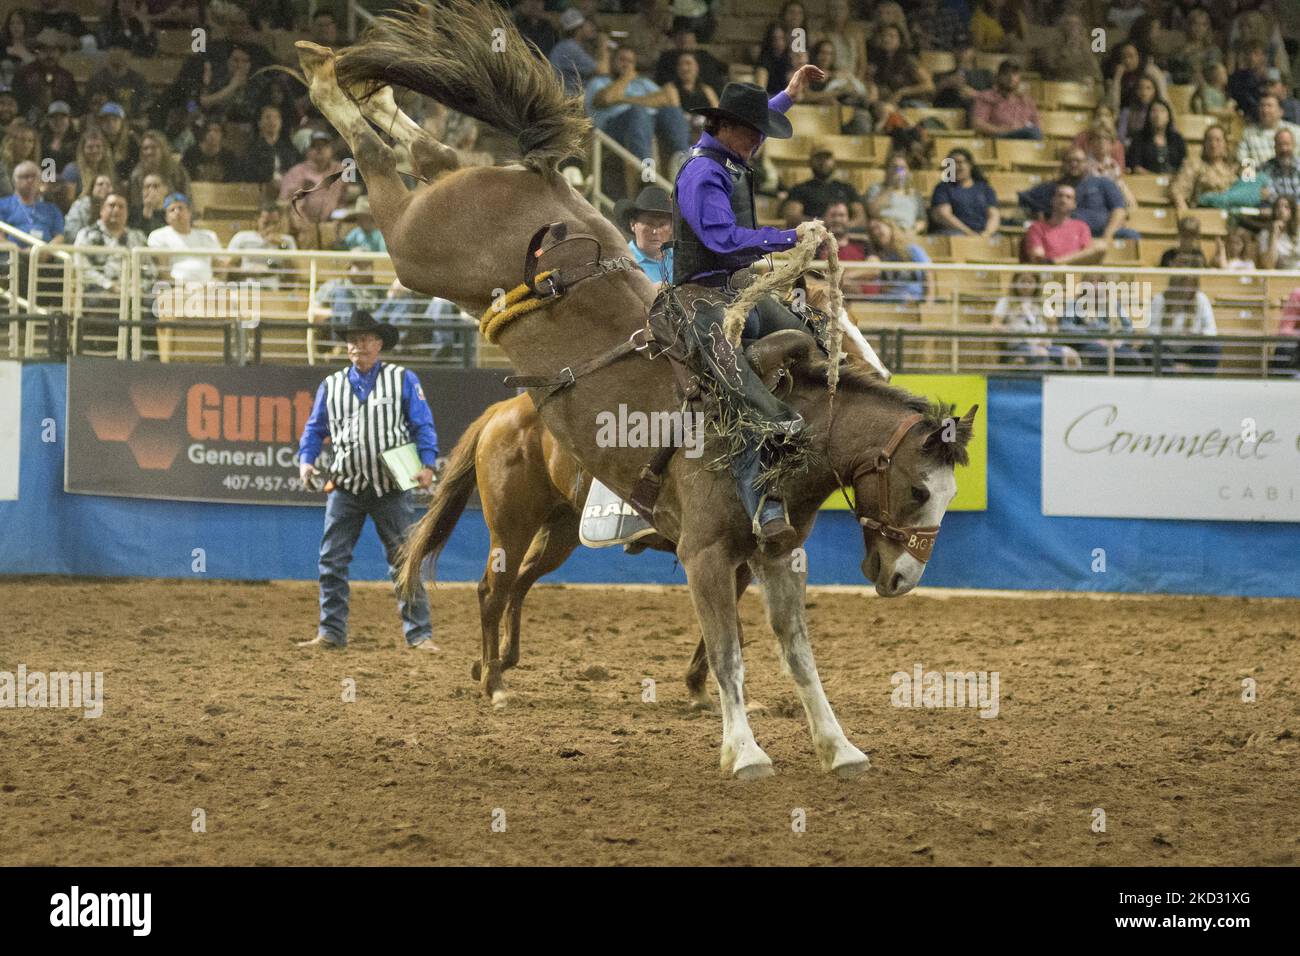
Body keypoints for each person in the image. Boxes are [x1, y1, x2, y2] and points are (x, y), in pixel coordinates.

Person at [659, 71, 827, 553]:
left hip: (734, 289)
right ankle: (764, 500)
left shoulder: (722, 154)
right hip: (698, 296)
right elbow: (720, 238)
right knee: (739, 385)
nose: (759, 141)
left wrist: (788, 97)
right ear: (727, 128)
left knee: (804, 337)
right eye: (754, 131)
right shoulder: (703, 173)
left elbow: (756, 118)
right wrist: (787, 236)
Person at [296, 311, 439, 653]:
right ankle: (331, 632)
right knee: (332, 559)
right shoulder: (330, 385)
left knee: (405, 559)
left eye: (365, 339)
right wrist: (306, 462)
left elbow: (422, 425)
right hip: (345, 485)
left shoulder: (403, 379)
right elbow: (315, 429)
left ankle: (419, 634)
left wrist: (428, 463)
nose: (358, 345)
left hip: (392, 486)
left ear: (378, 344)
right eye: (353, 340)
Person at [585, 44, 691, 176]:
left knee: (671, 111)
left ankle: (683, 159)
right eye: (622, 60)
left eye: (630, 62)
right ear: (613, 61)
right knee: (638, 112)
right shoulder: (600, 81)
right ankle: (645, 173)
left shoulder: (642, 82)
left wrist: (624, 100)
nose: (626, 65)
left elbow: (669, 99)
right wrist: (626, 78)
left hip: (647, 125)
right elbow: (606, 99)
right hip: (611, 129)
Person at [74, 190, 154, 350]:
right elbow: (82, 266)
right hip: (100, 289)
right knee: (101, 302)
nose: (116, 210)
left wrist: (137, 286)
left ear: (127, 212)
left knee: (156, 304)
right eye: (111, 205)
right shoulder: (87, 234)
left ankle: (143, 352)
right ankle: (103, 351)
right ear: (102, 210)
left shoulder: (137, 236)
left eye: (121, 206)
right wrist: (109, 285)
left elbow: (150, 269)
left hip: (134, 289)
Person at [1018, 148, 1135, 243]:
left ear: (1086, 163)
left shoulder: (1103, 183)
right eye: (1070, 161)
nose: (1074, 164)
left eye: (1078, 161)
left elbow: (1119, 211)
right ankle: (1069, 273)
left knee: (1131, 236)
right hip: (1066, 236)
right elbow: (1022, 199)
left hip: (1100, 234)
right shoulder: (1051, 187)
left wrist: (1106, 236)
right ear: (1063, 164)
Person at [993, 271, 1077, 367]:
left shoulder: (1042, 302)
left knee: (1071, 356)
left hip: (1043, 344)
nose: (1026, 285)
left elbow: (1053, 325)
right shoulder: (1006, 302)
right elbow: (995, 325)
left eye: (1030, 282)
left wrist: (1047, 339)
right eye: (1022, 281)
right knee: (1040, 354)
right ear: (1015, 283)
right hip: (1019, 345)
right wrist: (1009, 330)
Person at [782, 142, 866, 228]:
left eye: (827, 158)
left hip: (845, 236)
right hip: (813, 236)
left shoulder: (847, 188)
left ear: (834, 162)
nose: (823, 162)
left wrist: (841, 227)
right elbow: (792, 217)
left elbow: (861, 217)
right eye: (819, 158)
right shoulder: (799, 189)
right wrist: (823, 224)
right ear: (810, 162)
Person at [145, 192, 221, 286]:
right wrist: (184, 286)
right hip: (176, 288)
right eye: (172, 210)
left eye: (180, 208)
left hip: (209, 286)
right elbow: (163, 272)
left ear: (189, 212)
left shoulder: (209, 236)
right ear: (166, 218)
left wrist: (215, 281)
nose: (177, 212)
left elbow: (220, 268)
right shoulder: (158, 236)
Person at [279, 130, 346, 236]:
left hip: (331, 228)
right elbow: (287, 203)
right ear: (307, 151)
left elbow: (344, 200)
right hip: (301, 229)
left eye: (324, 146)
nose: (320, 150)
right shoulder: (296, 172)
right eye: (315, 146)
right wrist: (303, 224)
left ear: (331, 150)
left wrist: (335, 222)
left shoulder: (339, 171)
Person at [1148, 274, 1220, 372]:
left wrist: (1196, 335)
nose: (1187, 290)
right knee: (1148, 348)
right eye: (1183, 286)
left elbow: (1211, 330)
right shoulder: (1160, 299)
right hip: (1167, 350)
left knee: (1214, 348)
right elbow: (1152, 331)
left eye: (1190, 286)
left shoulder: (1201, 299)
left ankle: (1198, 376)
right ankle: (1170, 370)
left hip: (1191, 349)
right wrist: (1168, 336)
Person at [1022, 184, 1100, 265]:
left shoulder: (1082, 227)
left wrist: (1056, 262)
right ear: (1052, 200)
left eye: (1068, 197)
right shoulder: (1037, 228)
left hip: (1072, 274)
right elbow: (1039, 259)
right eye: (1060, 195)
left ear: (1074, 204)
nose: (1063, 200)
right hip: (1048, 274)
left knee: (1100, 247)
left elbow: (1088, 255)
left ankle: (1056, 263)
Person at [1169, 124, 1237, 217]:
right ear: (1204, 144)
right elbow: (1178, 190)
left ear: (1225, 144)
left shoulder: (1233, 168)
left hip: (1231, 215)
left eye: (1218, 140)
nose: (1213, 144)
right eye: (1209, 140)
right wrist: (1185, 213)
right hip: (1202, 214)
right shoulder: (1194, 165)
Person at [930, 147, 999, 236]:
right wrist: (969, 233)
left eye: (959, 162)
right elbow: (944, 215)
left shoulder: (985, 189)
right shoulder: (943, 188)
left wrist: (987, 233)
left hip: (982, 232)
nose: (955, 167)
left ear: (970, 165)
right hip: (955, 232)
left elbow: (993, 215)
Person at [227, 203, 296, 289]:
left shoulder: (287, 241)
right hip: (247, 281)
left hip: (274, 285)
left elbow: (294, 272)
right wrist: (250, 271)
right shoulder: (242, 237)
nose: (271, 227)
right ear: (257, 220)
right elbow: (227, 266)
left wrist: (282, 246)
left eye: (274, 223)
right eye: (266, 223)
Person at [616, 184, 674, 283]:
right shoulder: (621, 262)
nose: (655, 231)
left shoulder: (681, 260)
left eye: (662, 225)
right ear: (633, 225)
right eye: (649, 224)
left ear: (671, 228)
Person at [14, 28, 78, 117]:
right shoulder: (24, 74)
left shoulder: (67, 76)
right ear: (37, 52)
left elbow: (74, 103)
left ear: (60, 53)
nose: (49, 55)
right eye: (45, 50)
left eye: (53, 50)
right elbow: (18, 103)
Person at [970, 59, 1040, 140]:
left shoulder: (1027, 101)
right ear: (998, 77)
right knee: (1033, 133)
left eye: (1015, 74)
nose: (1011, 77)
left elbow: (1037, 126)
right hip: (1000, 138)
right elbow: (978, 124)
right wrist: (1001, 130)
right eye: (1006, 73)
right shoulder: (987, 97)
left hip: (1024, 139)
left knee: (1035, 132)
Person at [549, 8, 606, 97]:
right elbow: (603, 70)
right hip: (569, 100)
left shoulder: (567, 45)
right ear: (579, 28)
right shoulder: (570, 48)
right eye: (589, 25)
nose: (593, 28)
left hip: (570, 96)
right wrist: (603, 44)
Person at [865, 151, 927, 234]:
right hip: (885, 231)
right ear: (887, 171)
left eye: (902, 168)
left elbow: (922, 220)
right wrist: (890, 187)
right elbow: (872, 211)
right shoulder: (876, 188)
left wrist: (913, 230)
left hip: (907, 232)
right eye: (894, 167)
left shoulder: (914, 194)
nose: (898, 171)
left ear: (908, 172)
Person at [238, 104, 299, 188]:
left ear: (281, 122)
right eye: (268, 117)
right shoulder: (253, 149)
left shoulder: (289, 147)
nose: (272, 121)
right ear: (259, 123)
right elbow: (249, 175)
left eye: (276, 117)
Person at [1237, 93, 1300, 169]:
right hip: (1260, 177)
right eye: (1262, 106)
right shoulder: (1248, 133)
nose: (1265, 110)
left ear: (1281, 111)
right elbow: (1243, 160)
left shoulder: (1296, 131)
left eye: (1269, 106)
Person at [1127, 100, 1186, 175]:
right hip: (1146, 180)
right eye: (1154, 111)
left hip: (1174, 180)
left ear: (1168, 117)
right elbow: (1135, 166)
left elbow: (1183, 164)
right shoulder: (1139, 138)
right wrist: (1154, 178)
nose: (1158, 115)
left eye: (1162, 111)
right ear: (1148, 116)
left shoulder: (1177, 139)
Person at [63, 172, 114, 240]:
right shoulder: (80, 205)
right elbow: (71, 232)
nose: (104, 187)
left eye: (108, 185)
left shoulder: (117, 207)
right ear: (92, 188)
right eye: (100, 184)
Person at [1258, 194, 1300, 270]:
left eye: (1286, 207)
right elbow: (1269, 265)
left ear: (1292, 212)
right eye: (1278, 207)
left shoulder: (1298, 232)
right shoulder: (1265, 235)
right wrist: (1274, 235)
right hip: (1280, 278)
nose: (1281, 211)